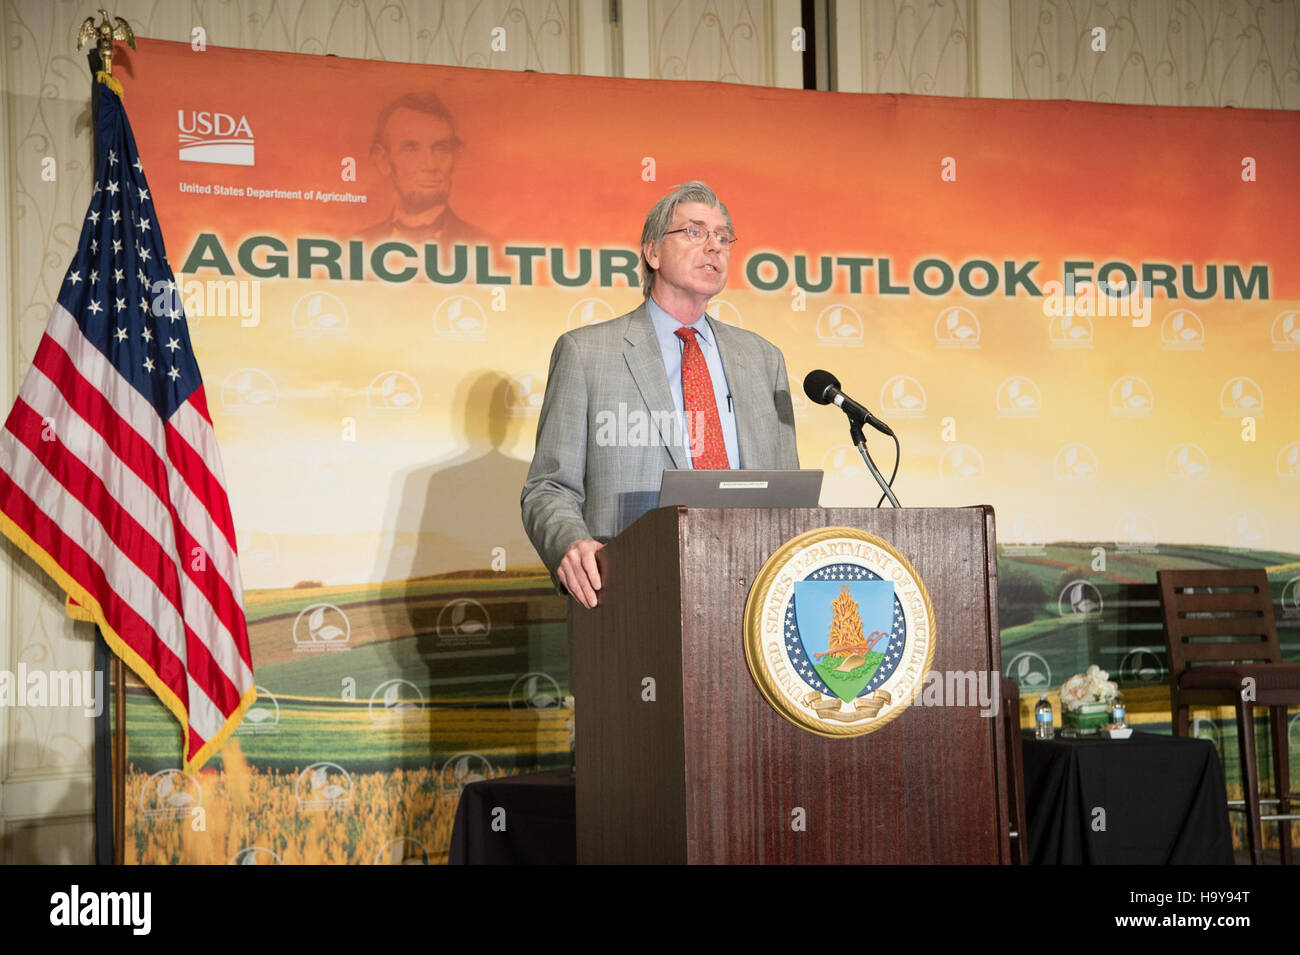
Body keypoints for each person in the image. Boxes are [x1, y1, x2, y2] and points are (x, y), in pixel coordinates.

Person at [521, 181, 799, 608]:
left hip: (754, 594)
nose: (714, 246)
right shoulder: (587, 353)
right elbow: (549, 488)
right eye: (694, 231)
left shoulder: (763, 359)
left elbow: (787, 493)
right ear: (652, 253)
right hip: (630, 594)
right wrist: (570, 543)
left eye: (723, 236)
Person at [359, 91, 489, 245]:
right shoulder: (356, 245)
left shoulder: (489, 247)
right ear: (383, 160)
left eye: (441, 149)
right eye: (411, 149)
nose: (430, 165)